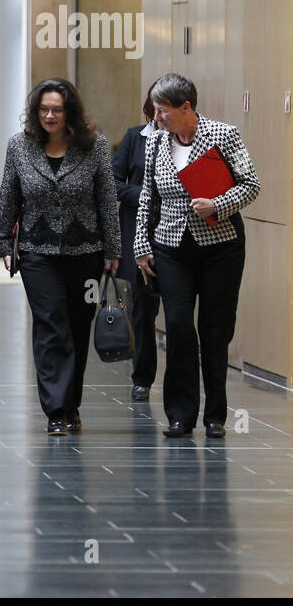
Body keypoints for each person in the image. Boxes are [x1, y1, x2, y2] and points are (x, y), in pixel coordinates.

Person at [134, 73, 260, 439]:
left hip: (220, 247)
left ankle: (215, 415)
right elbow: (147, 197)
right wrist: (141, 247)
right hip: (171, 248)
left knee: (215, 331)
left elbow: (251, 184)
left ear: (186, 108)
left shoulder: (223, 135)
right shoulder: (156, 141)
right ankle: (180, 414)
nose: (156, 118)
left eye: (162, 111)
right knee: (177, 326)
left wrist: (217, 204)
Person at [0, 79, 121, 435]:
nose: (50, 116)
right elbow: (8, 196)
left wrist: (113, 250)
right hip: (38, 251)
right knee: (52, 326)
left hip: (86, 252)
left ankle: (71, 405)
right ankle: (55, 410)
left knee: (78, 328)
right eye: (44, 109)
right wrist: (4, 244)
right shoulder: (19, 146)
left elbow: (107, 201)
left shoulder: (93, 146)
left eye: (57, 109)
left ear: (70, 113)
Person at [112, 89, 163, 402]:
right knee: (142, 312)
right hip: (139, 235)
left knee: (178, 312)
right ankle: (142, 378)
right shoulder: (134, 138)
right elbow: (114, 181)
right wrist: (143, 196)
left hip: (175, 237)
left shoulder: (185, 140)